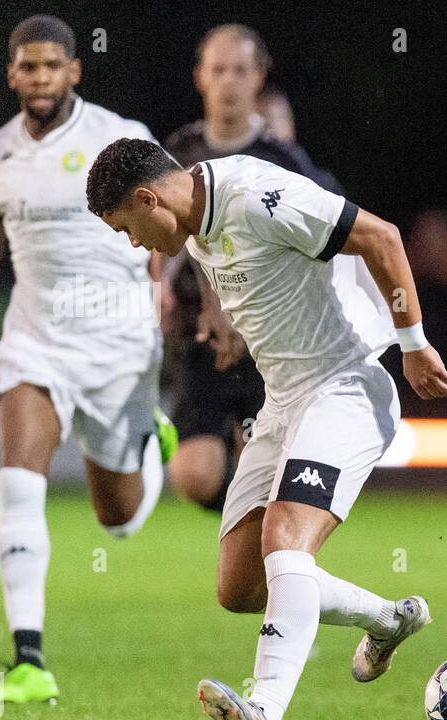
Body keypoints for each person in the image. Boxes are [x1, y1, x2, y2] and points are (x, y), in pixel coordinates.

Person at [86, 138, 447, 720]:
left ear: (150, 198)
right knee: (239, 585)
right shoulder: (197, 223)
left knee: (286, 539)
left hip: (346, 385)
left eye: (128, 227)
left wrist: (415, 342)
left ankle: (265, 715)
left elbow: (383, 238)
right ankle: (387, 620)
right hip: (284, 404)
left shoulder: (258, 194)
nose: (134, 243)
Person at [0, 15, 174, 704]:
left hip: (117, 343)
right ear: (12, 73)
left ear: (75, 71)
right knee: (18, 477)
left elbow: (175, 220)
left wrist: (173, 294)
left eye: (53, 66)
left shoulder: (122, 135)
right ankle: (28, 659)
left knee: (118, 517)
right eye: (29, 66)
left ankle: (147, 446)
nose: (41, 78)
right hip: (36, 337)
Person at [160, 25, 344, 511]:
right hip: (198, 337)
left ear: (258, 77)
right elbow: (157, 239)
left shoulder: (285, 163)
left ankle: (264, 534)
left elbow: (319, 251)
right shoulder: (176, 155)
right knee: (196, 475)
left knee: (274, 469)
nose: (228, 82)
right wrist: (158, 287)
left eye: (240, 70)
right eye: (218, 69)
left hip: (270, 342)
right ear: (200, 77)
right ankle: (243, 509)